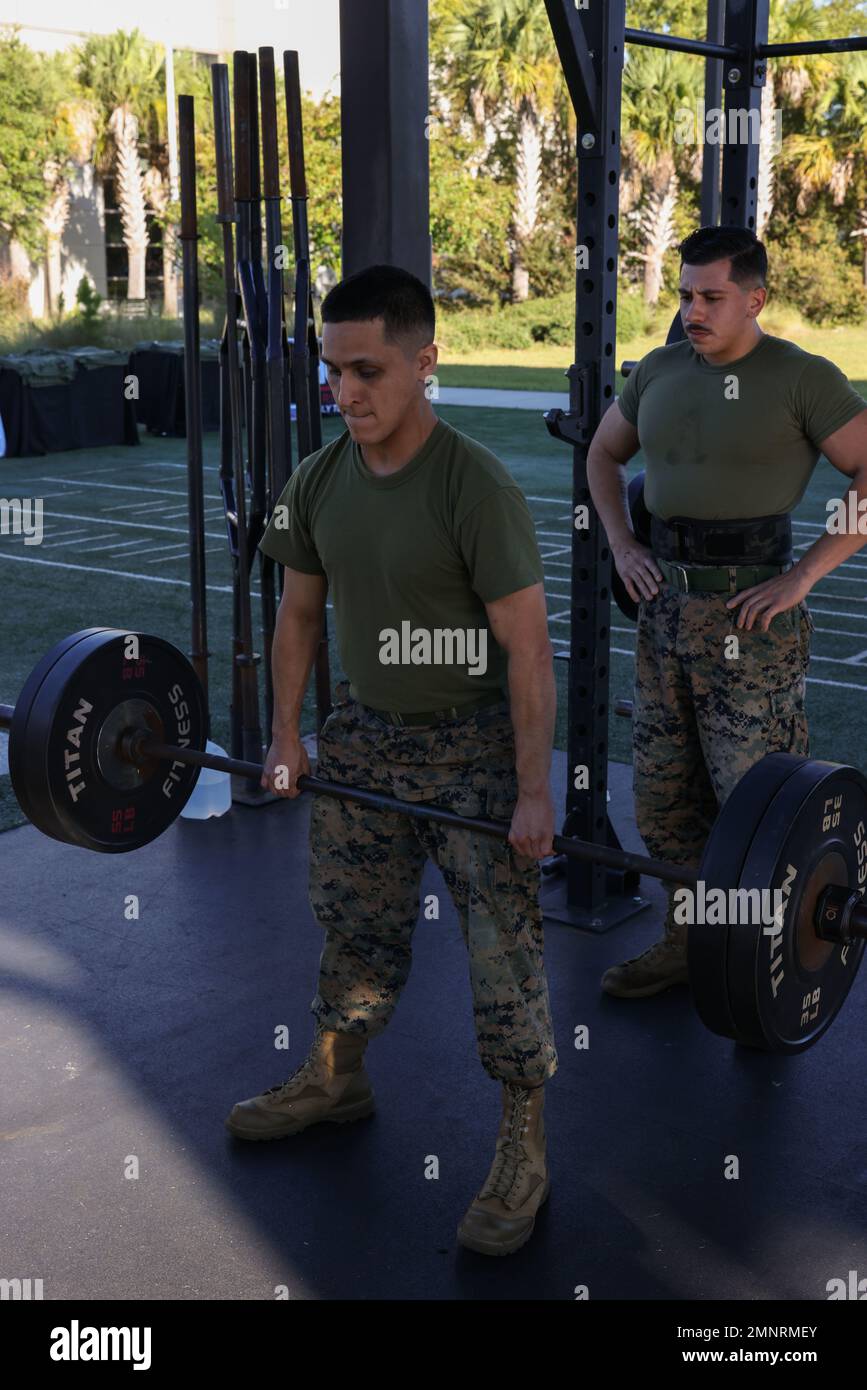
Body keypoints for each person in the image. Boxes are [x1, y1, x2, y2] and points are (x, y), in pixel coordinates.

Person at [225, 264, 559, 1257]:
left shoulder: (474, 487)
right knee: (356, 927)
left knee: (502, 955)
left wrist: (535, 790)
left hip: (471, 748)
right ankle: (337, 1073)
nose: (346, 392)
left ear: (425, 362)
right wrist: (287, 734)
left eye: (367, 369)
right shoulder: (318, 480)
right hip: (365, 735)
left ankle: (525, 1143)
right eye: (333, 371)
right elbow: (296, 614)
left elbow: (529, 649)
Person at [588, 225, 867, 998]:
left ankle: (770, 969)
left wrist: (802, 576)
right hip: (663, 615)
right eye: (683, 295)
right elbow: (603, 455)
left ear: (755, 299)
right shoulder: (655, 372)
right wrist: (621, 544)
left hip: (753, 624)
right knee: (661, 799)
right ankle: (687, 943)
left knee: (756, 809)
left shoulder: (800, 377)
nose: (692, 312)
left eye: (711, 297)